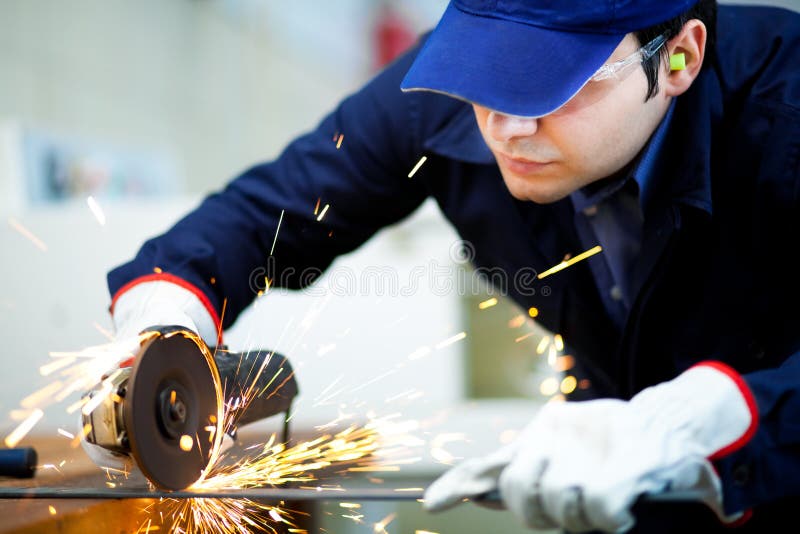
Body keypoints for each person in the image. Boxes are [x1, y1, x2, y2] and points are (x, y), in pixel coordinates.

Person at [104, 0, 800, 531]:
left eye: (546, 85)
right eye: (485, 78)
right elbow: (260, 219)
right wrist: (163, 332)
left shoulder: (786, 106)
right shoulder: (436, 104)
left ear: (677, 59)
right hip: (615, 485)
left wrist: (707, 416)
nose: (505, 127)